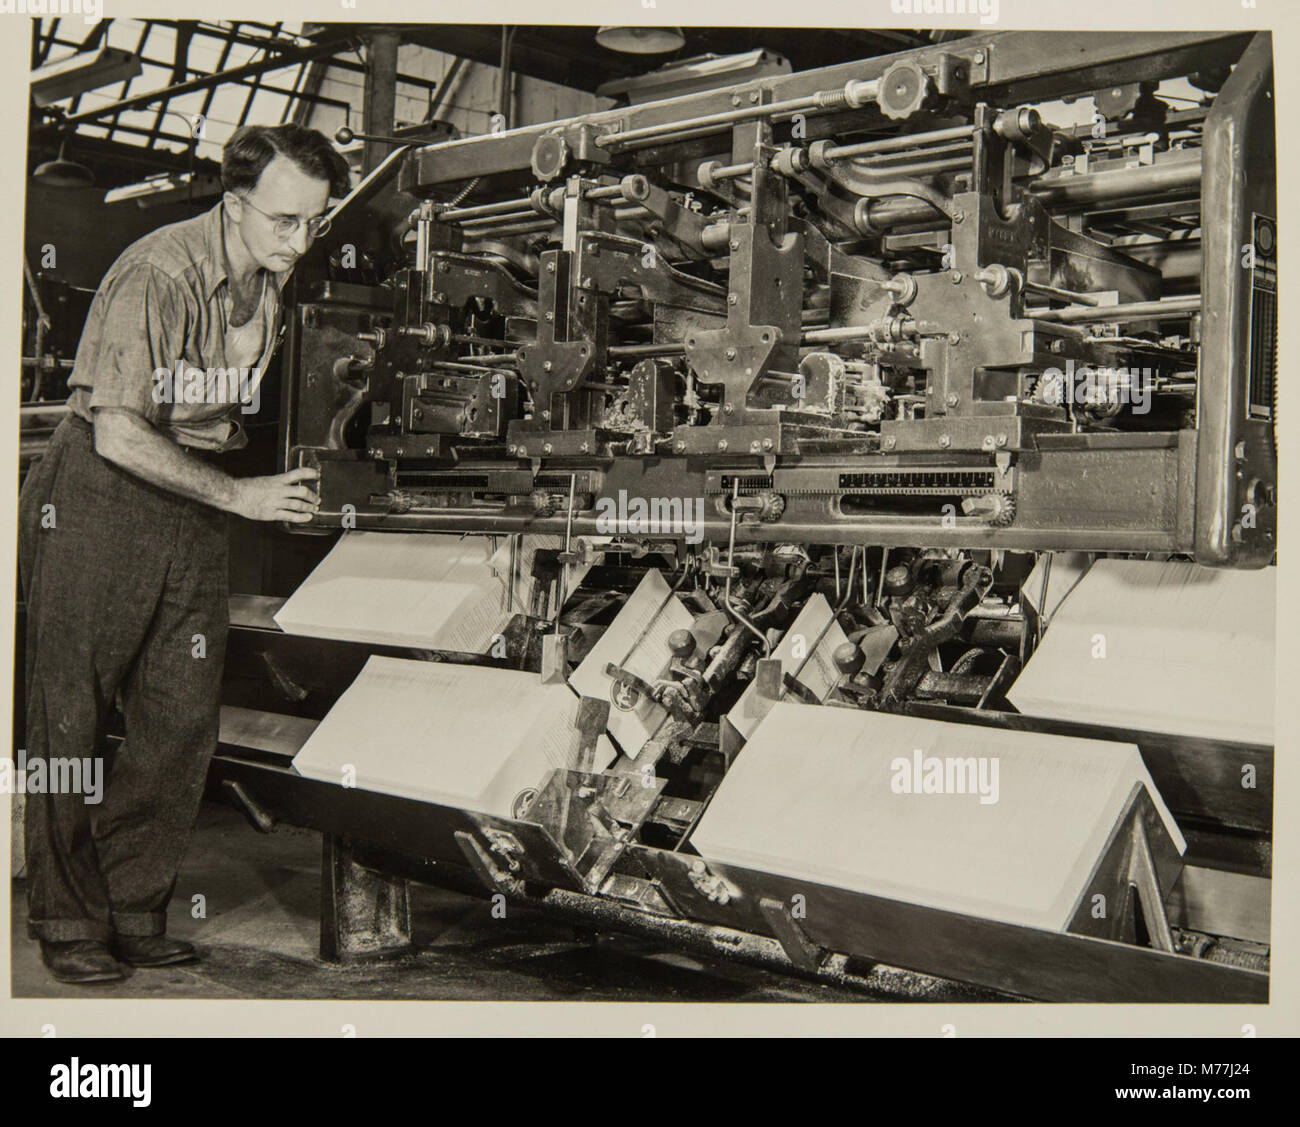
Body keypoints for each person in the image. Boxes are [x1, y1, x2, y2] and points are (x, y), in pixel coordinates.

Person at [17, 123, 351, 984]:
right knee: (70, 711)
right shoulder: (158, 271)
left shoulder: (270, 285)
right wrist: (242, 496)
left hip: (191, 491)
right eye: (284, 220)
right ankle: (66, 916)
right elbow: (123, 430)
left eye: (314, 221)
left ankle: (132, 907)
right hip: (102, 488)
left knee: (177, 714)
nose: (300, 239)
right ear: (234, 204)